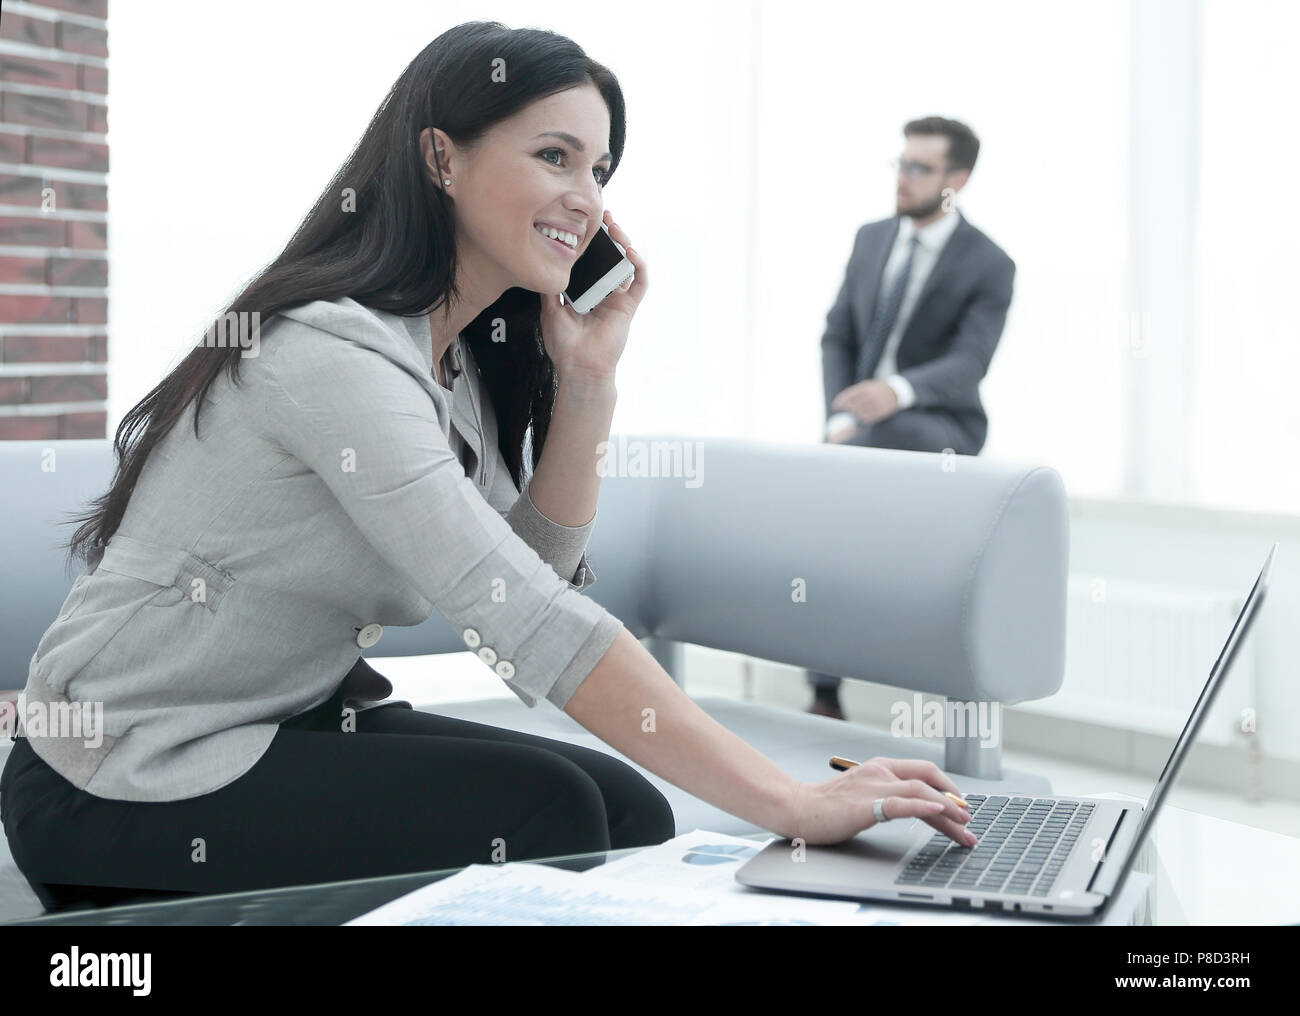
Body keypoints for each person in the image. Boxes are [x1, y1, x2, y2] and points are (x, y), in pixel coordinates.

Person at [1, 22, 976, 913]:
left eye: (598, 168)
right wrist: (790, 797)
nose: (585, 198)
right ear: (440, 158)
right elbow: (528, 618)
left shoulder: (458, 363)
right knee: (553, 808)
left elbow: (531, 575)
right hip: (116, 775)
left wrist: (587, 384)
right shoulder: (329, 348)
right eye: (553, 156)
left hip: (279, 722)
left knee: (623, 806)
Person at [807, 117, 1016, 720]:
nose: (903, 178)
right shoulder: (871, 238)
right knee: (823, 501)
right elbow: (836, 336)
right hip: (855, 431)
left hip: (938, 427)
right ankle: (824, 690)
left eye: (919, 168)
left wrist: (894, 392)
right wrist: (834, 419)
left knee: (879, 442)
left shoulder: (989, 263)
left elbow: (969, 363)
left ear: (958, 180)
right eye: (900, 163)